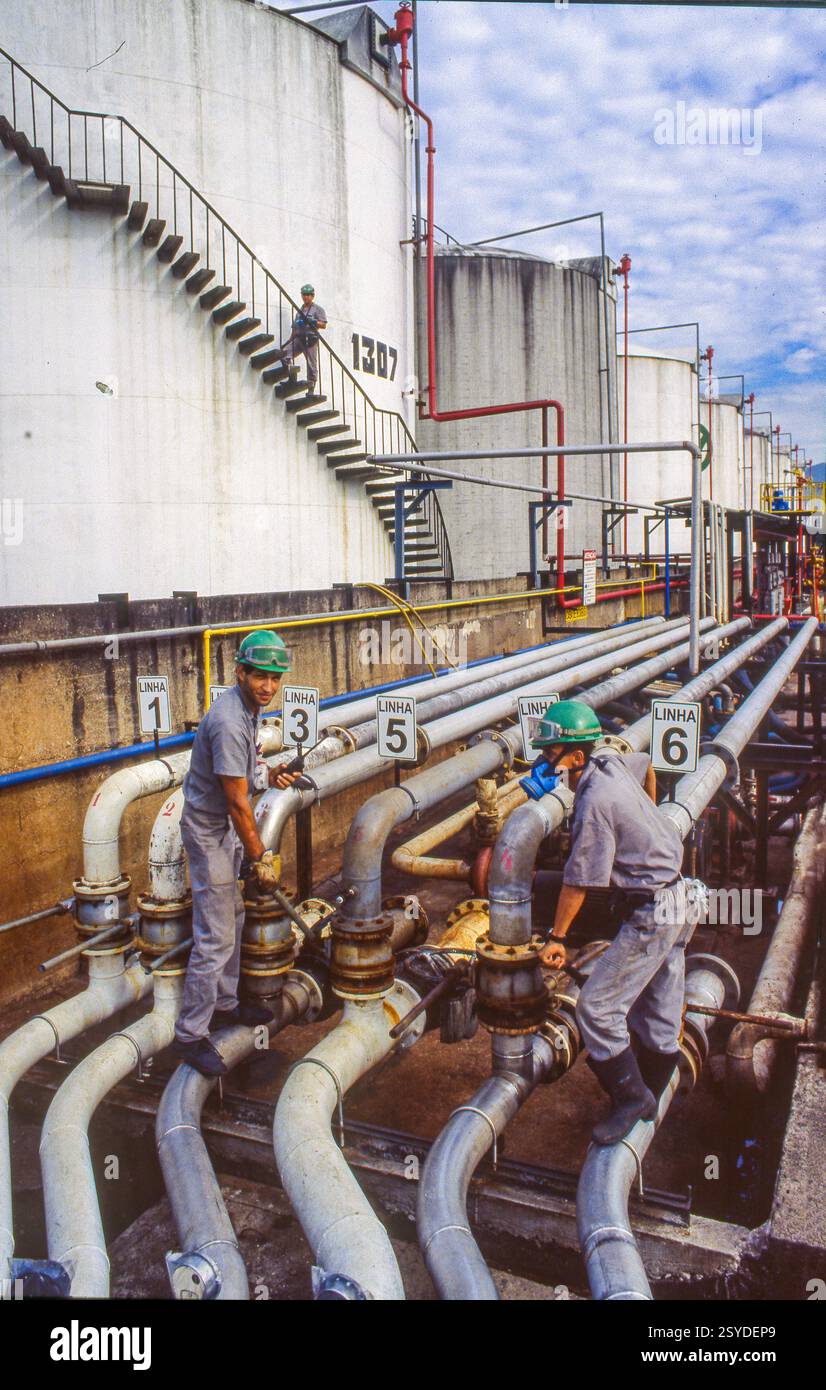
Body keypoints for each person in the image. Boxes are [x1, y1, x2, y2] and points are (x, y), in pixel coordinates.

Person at [534, 699, 696, 1145]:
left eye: (552, 754)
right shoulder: (609, 760)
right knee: (660, 1008)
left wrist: (557, 937)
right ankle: (649, 1100)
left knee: (598, 1008)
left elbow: (579, 881)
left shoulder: (594, 801)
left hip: (652, 912)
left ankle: (630, 1100)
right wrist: (644, 810)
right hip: (682, 897)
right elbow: (645, 763)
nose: (546, 762)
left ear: (576, 757)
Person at [172, 629, 302, 1076]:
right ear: (241, 672)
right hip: (210, 830)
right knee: (216, 933)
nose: (268, 685)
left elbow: (245, 777)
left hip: (222, 825)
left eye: (275, 678)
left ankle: (226, 1006)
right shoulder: (229, 720)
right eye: (260, 676)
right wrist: (261, 856)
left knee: (237, 916)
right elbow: (236, 801)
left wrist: (273, 772)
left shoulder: (248, 710)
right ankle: (190, 1033)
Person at [272, 284, 327, 397]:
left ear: (312, 296)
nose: (306, 297)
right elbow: (294, 329)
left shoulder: (318, 309)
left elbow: (324, 324)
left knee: (312, 365)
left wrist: (313, 322)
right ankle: (292, 379)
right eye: (304, 294)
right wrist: (287, 342)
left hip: (310, 340)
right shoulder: (299, 311)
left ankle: (311, 390)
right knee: (285, 355)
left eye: (308, 295)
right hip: (299, 338)